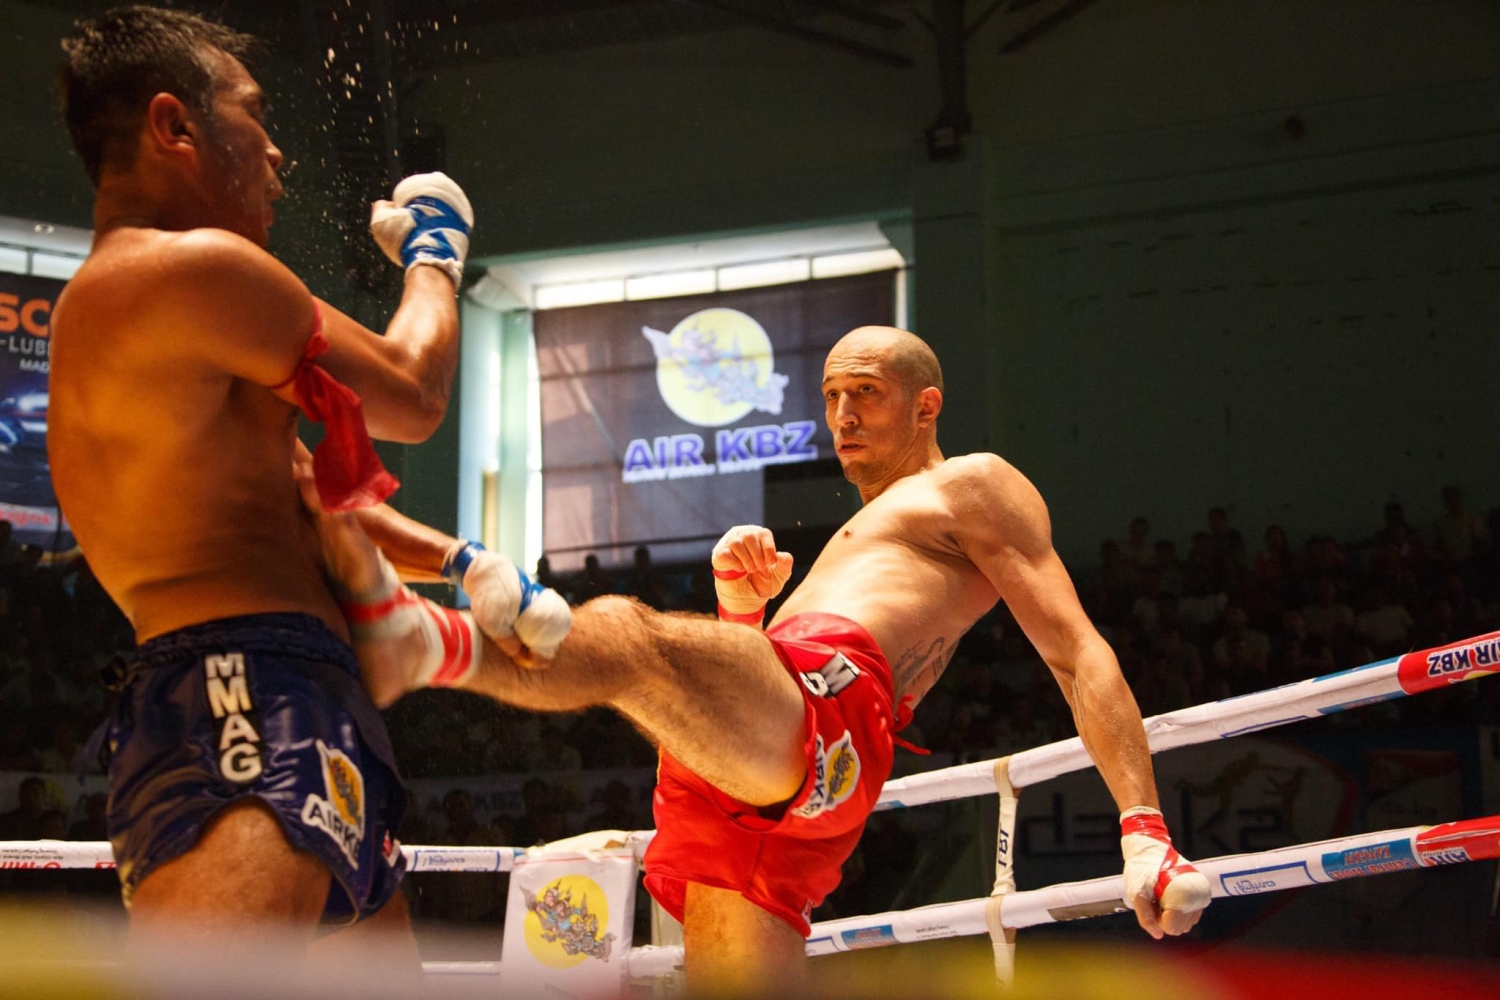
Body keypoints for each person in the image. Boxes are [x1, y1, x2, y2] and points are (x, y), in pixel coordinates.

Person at [305, 326, 1210, 992]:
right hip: (764, 763)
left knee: (629, 634)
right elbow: (760, 688)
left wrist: (1145, 830)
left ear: (926, 405)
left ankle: (424, 633)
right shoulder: (855, 534)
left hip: (828, 713)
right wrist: (745, 610)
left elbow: (1077, 653)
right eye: (829, 397)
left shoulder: (970, 483)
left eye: (866, 395)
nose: (842, 416)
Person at [47, 4, 521, 952]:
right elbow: (413, 392)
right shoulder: (185, 273)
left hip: (287, 680)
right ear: (175, 126)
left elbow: (314, 496)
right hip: (243, 687)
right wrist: (435, 253)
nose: (276, 155)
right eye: (254, 115)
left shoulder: (164, 322)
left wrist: (466, 562)